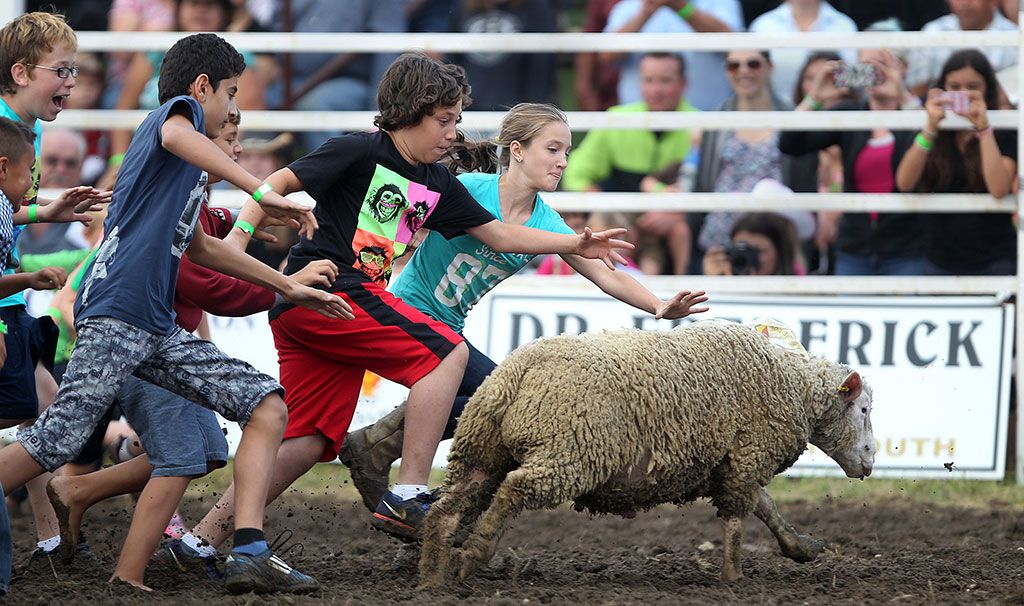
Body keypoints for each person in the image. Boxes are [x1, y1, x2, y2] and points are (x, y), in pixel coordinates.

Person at [161, 52, 634, 563]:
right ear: (410, 111)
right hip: (331, 292)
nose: (453, 132)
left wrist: (569, 245)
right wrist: (237, 239)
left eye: (457, 121)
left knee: (310, 440)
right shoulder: (359, 151)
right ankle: (407, 494)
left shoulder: (437, 181)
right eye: (444, 120)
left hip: (315, 311)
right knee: (446, 355)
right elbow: (275, 184)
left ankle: (199, 543)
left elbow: (497, 234)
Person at [0, 32, 353, 596]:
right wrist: (263, 191)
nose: (236, 110)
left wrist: (287, 284)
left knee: (265, 403)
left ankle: (245, 551)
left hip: (151, 322)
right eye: (232, 94)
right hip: (118, 311)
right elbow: (174, 132)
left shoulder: (188, 173)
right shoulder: (173, 115)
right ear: (202, 87)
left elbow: (204, 251)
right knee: (57, 440)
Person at [338, 102, 710, 513]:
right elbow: (391, 219)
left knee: (497, 407)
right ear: (516, 151)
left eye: (566, 153)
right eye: (553, 150)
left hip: (451, 329)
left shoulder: (548, 222)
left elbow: (606, 274)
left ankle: (374, 445)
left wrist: (658, 304)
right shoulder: (469, 189)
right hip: (410, 312)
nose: (562, 162)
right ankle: (387, 461)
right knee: (507, 403)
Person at [0, 12, 111, 579]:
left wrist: (50, 209)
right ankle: (50, 535)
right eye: (61, 70)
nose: (71, 82)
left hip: (8, 299)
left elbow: (3, 211)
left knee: (45, 406)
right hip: (3, 300)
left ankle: (50, 536)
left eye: (76, 70)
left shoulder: (29, 128)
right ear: (20, 72)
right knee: (43, 408)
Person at [779, 47, 930, 276]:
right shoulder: (851, 113)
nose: (873, 73)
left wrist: (904, 96)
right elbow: (790, 144)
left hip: (906, 248)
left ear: (903, 69)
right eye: (864, 66)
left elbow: (934, 145)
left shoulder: (915, 110)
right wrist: (814, 98)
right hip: (855, 249)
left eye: (881, 65)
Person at [562, 52, 697, 275]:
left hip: (673, 224)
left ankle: (684, 287)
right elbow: (576, 172)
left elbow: (709, 188)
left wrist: (678, 213)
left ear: (683, 84)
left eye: (665, 81)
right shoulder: (616, 118)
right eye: (649, 80)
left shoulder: (701, 124)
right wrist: (610, 209)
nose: (656, 90)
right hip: (620, 223)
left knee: (679, 229)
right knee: (602, 222)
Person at [895, 49, 1017, 275]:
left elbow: (999, 188)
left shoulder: (1004, 129)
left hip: (994, 258)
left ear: (987, 88)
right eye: (954, 87)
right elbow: (904, 182)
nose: (963, 93)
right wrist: (931, 126)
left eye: (973, 87)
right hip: (939, 257)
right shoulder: (933, 130)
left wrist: (983, 127)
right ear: (943, 88)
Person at [602, 0, 744, 111]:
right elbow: (607, 54)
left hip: (707, 121)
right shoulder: (627, 7)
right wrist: (645, 13)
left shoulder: (720, 3)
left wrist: (682, 7)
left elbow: (733, 46)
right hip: (639, 125)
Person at [451, 0, 559, 111]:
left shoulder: (536, 8)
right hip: (470, 107)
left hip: (517, 111)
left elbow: (540, 71)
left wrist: (530, 111)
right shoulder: (462, 7)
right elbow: (452, 61)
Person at [748, 0, 857, 101]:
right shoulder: (763, 26)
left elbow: (853, 82)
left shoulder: (844, 25)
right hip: (776, 115)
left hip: (831, 113)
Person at [907, 0, 1018, 97]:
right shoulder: (932, 32)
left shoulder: (1015, 36)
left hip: (997, 118)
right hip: (941, 117)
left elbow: (1013, 97)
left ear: (993, 1)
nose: (964, 3)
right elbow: (916, 90)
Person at [702, 212, 802, 276]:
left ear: (781, 252)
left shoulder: (802, 286)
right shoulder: (725, 282)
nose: (749, 256)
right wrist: (716, 281)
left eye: (759, 250)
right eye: (741, 249)